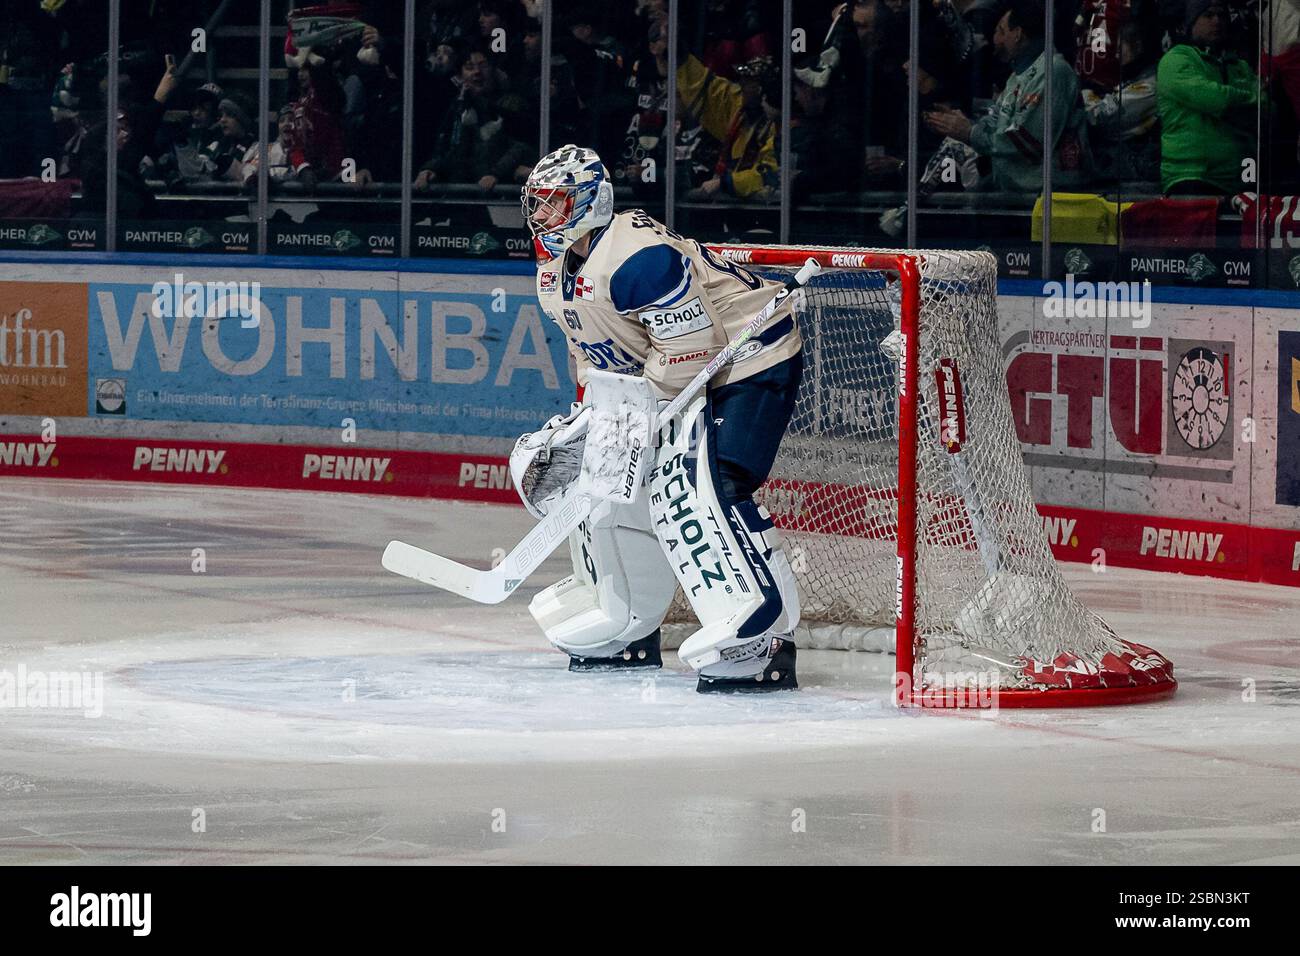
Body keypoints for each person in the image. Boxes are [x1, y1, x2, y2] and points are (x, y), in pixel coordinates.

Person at [513, 144, 805, 693]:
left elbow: (695, 350)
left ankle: (765, 637)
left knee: (711, 486)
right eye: (538, 205)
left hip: (749, 357)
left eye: (556, 204)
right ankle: (625, 621)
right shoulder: (553, 264)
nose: (542, 218)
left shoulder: (638, 259)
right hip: (674, 369)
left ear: (591, 201)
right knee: (607, 481)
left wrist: (632, 419)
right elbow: (592, 350)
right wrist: (596, 418)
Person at [923, 0, 1092, 192]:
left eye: (1000, 31)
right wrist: (961, 123)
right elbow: (997, 123)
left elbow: (1029, 142)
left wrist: (970, 133)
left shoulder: (1053, 71)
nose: (995, 39)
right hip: (1017, 195)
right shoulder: (1017, 76)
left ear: (1018, 34)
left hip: (1047, 199)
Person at [1157, 0, 1261, 195]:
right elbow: (1218, 100)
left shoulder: (1238, 65)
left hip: (1242, 180)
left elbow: (1269, 108)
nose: (1217, 21)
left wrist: (1232, 103)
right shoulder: (1176, 60)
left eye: (1221, 15)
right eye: (1208, 15)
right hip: (1192, 177)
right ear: (1191, 22)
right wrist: (1247, 103)